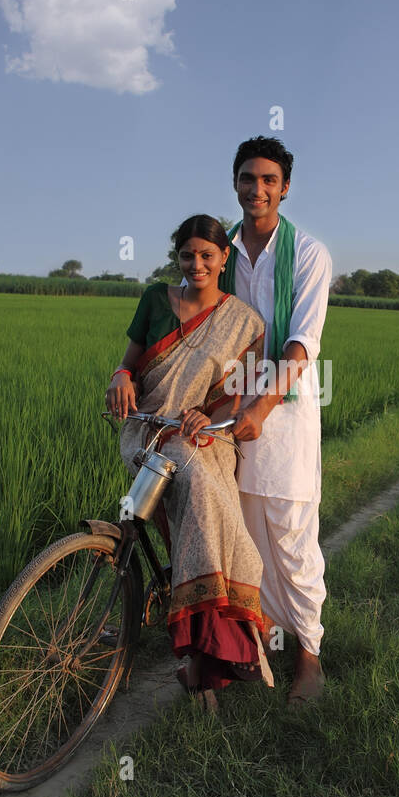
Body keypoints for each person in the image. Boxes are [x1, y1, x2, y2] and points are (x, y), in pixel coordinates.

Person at [106, 214, 271, 711]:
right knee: (197, 497)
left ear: (224, 259)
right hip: (150, 427)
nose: (196, 264)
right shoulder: (156, 299)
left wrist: (209, 412)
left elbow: (234, 394)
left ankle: (205, 649)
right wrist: (120, 375)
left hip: (203, 437)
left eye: (207, 255)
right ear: (176, 257)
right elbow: (131, 360)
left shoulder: (242, 320)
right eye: (186, 255)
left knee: (202, 491)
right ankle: (201, 632)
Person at [218, 136, 333, 706]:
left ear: (285, 188)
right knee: (239, 534)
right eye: (247, 178)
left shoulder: (309, 253)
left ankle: (309, 656)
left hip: (282, 421)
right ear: (234, 183)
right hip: (227, 412)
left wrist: (261, 406)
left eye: (268, 180)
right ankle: (253, 635)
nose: (257, 189)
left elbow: (300, 344)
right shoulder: (220, 250)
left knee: (291, 538)